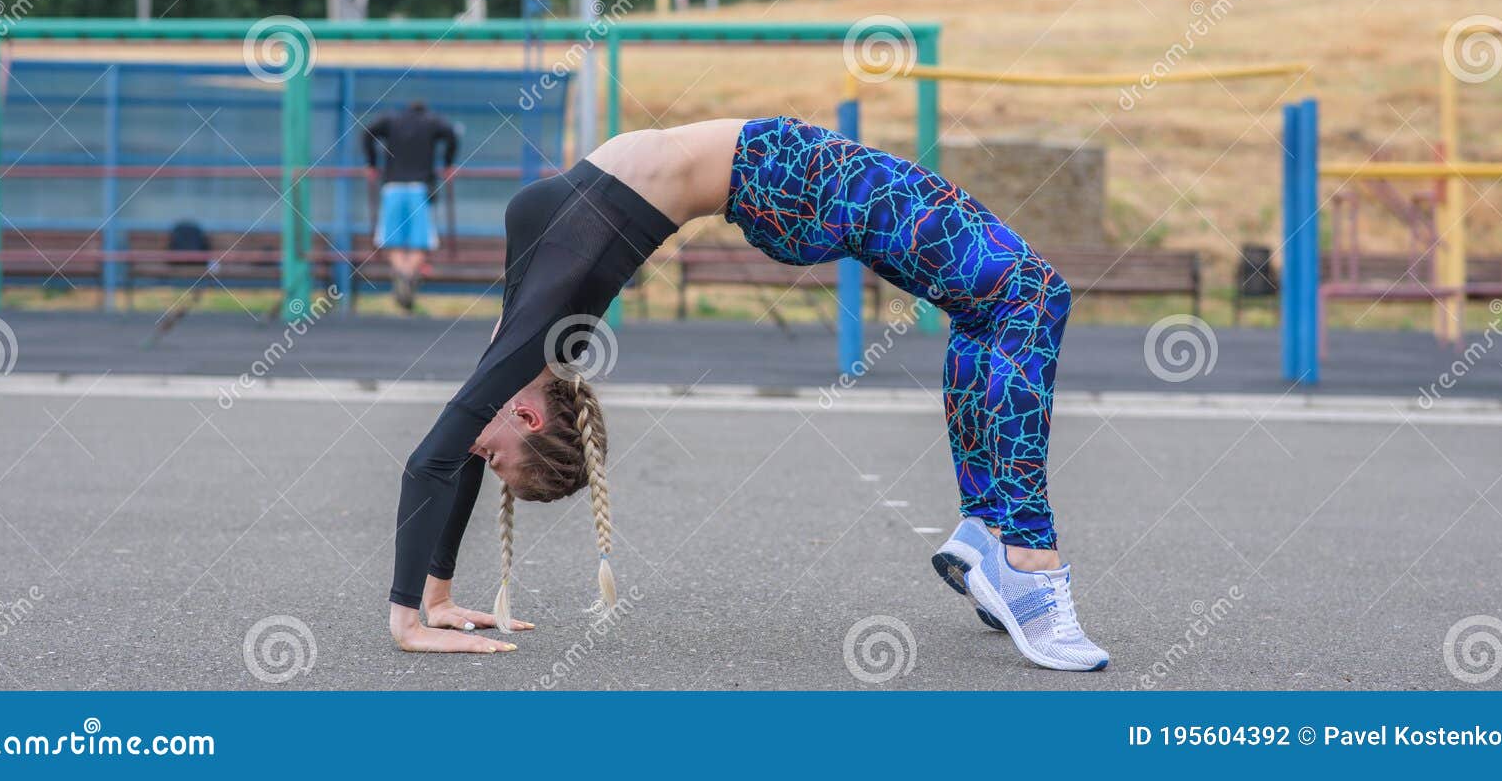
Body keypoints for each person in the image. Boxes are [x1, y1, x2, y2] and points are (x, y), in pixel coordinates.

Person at [388, 116, 1109, 672]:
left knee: (1003, 304)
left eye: (492, 456)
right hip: (789, 176)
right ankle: (1025, 558)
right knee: (1029, 294)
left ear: (526, 413)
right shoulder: (536, 342)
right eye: (498, 459)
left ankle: (995, 535)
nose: (480, 452)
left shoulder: (530, 342)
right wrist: (426, 605)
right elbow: (442, 460)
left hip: (783, 173)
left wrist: (423, 609)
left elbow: (434, 460)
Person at [362, 101, 459, 311]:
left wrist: (371, 162)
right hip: (419, 188)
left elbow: (367, 132)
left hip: (392, 187)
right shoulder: (431, 122)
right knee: (420, 242)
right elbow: (451, 133)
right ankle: (408, 277)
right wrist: (448, 163)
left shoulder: (391, 120)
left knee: (392, 240)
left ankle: (402, 274)